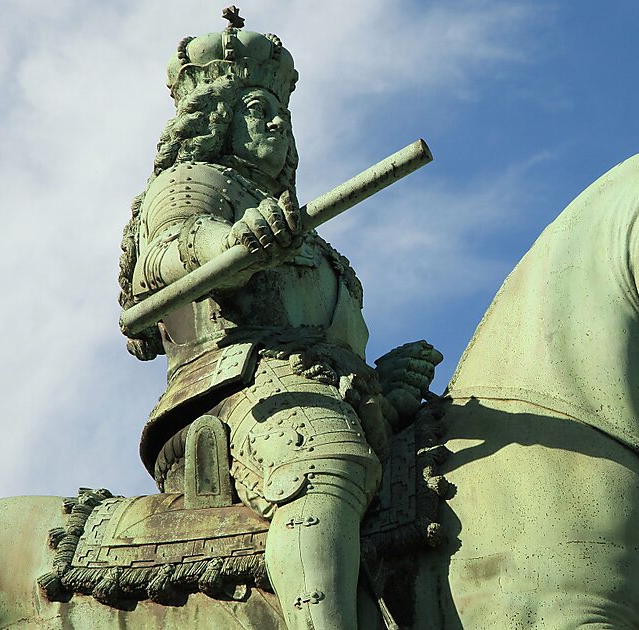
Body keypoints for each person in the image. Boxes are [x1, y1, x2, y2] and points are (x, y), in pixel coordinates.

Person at [115, 21, 439, 629]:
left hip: (325, 392)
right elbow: (165, 255)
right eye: (260, 109)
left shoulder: (308, 239)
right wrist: (228, 242)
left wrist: (380, 385)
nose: (277, 125)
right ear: (216, 120)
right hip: (233, 394)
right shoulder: (192, 185)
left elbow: (326, 347)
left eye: (283, 115)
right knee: (325, 467)